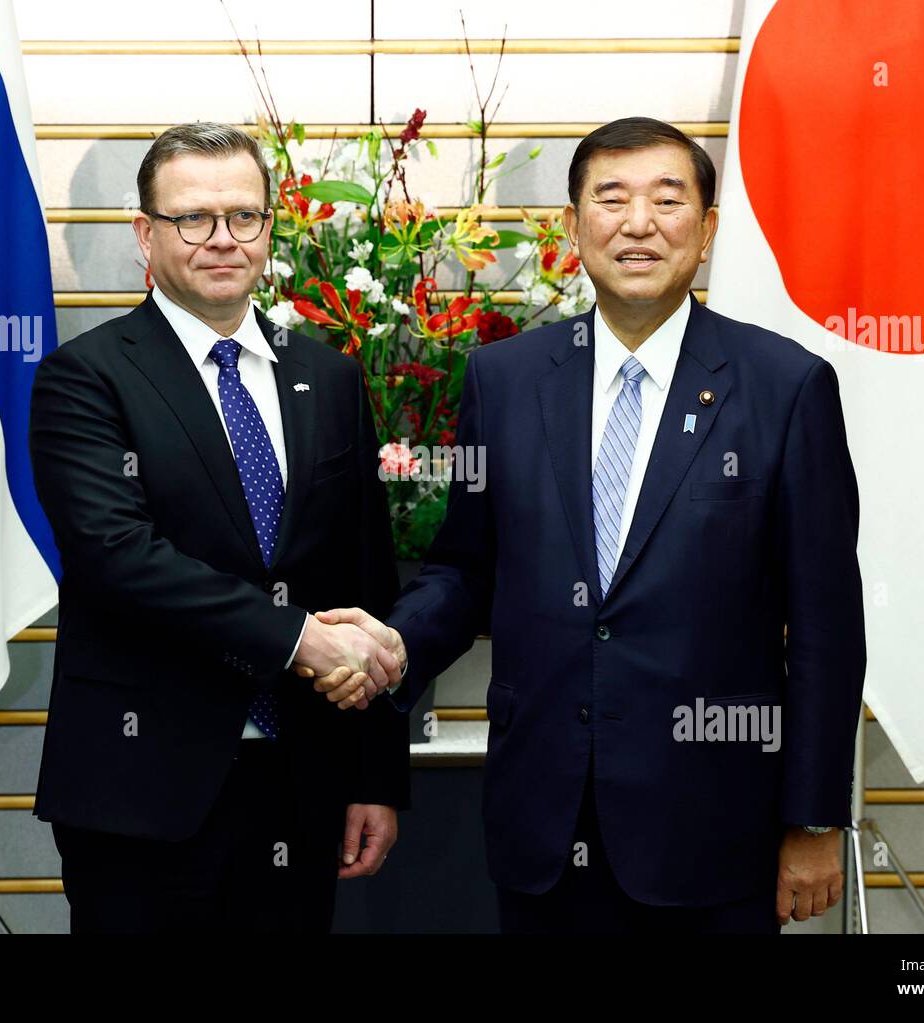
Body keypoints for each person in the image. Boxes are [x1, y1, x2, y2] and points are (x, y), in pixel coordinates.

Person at [307, 117, 867, 933]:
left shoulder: (784, 386)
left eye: (667, 199)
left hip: (713, 833)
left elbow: (826, 623)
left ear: (707, 231)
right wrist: (395, 647)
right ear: (574, 228)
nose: (638, 223)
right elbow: (465, 568)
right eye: (611, 198)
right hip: (544, 826)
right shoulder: (506, 378)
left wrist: (814, 820)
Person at [29, 122, 408, 933]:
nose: (222, 239)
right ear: (145, 233)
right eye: (192, 218)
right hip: (142, 792)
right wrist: (299, 638)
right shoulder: (86, 377)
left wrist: (376, 772)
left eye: (244, 216)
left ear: (271, 226)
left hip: (301, 785)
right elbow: (118, 558)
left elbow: (365, 578)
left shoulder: (329, 376)